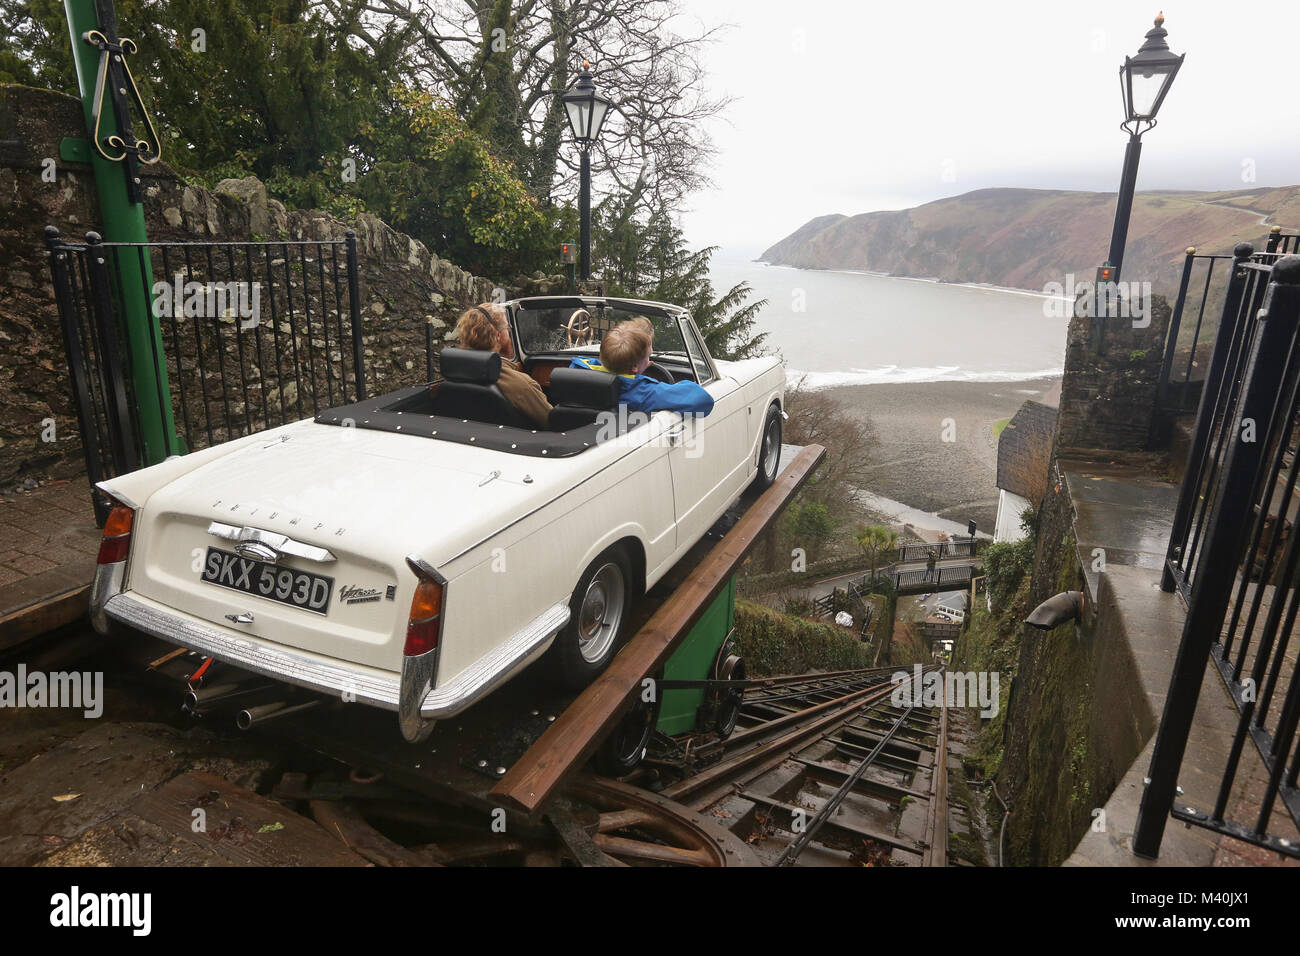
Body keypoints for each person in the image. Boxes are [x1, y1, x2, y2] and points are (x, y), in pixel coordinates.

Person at [569, 320, 714, 416]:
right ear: (634, 367)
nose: (649, 359)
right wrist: (674, 387)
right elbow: (704, 400)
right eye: (648, 356)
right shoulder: (643, 393)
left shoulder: (575, 371)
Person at [450, 304, 552, 428]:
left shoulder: (453, 373)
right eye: (507, 327)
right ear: (498, 336)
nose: (508, 331)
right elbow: (552, 421)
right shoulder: (522, 385)